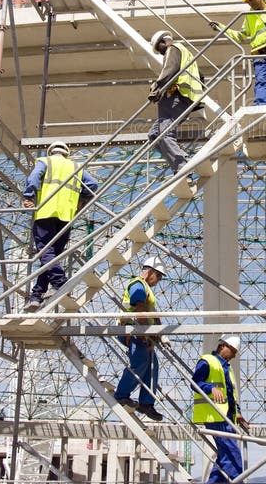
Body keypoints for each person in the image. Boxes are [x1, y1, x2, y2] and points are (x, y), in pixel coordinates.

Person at [23, 141, 98, 310]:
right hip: (66, 216)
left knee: (44, 252)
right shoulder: (76, 167)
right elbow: (93, 185)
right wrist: (80, 201)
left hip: (46, 212)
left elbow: (34, 178)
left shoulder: (45, 161)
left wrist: (28, 195)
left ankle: (61, 282)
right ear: (66, 153)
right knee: (51, 256)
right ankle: (37, 294)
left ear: (51, 152)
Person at [192, 334, 249, 484]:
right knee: (232, 452)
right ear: (223, 346)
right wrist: (211, 389)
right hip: (215, 415)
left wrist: (237, 413)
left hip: (226, 416)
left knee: (226, 455)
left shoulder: (227, 367)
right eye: (233, 351)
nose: (234, 355)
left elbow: (230, 394)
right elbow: (195, 382)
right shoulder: (208, 361)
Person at [114, 255, 169, 421]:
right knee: (140, 362)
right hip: (134, 331)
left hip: (144, 333)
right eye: (158, 276)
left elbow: (153, 313)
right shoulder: (137, 285)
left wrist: (159, 335)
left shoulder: (147, 289)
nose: (158, 281)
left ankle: (147, 403)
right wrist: (146, 334)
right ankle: (122, 394)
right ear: (150, 272)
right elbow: (140, 310)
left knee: (152, 366)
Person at [147, 30, 204, 172]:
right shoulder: (187, 54)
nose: (161, 53)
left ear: (163, 42)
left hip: (176, 96)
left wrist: (157, 88)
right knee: (154, 135)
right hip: (185, 98)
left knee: (164, 134)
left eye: (159, 49)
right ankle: (182, 160)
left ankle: (183, 168)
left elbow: (169, 70)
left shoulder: (173, 49)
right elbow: (200, 76)